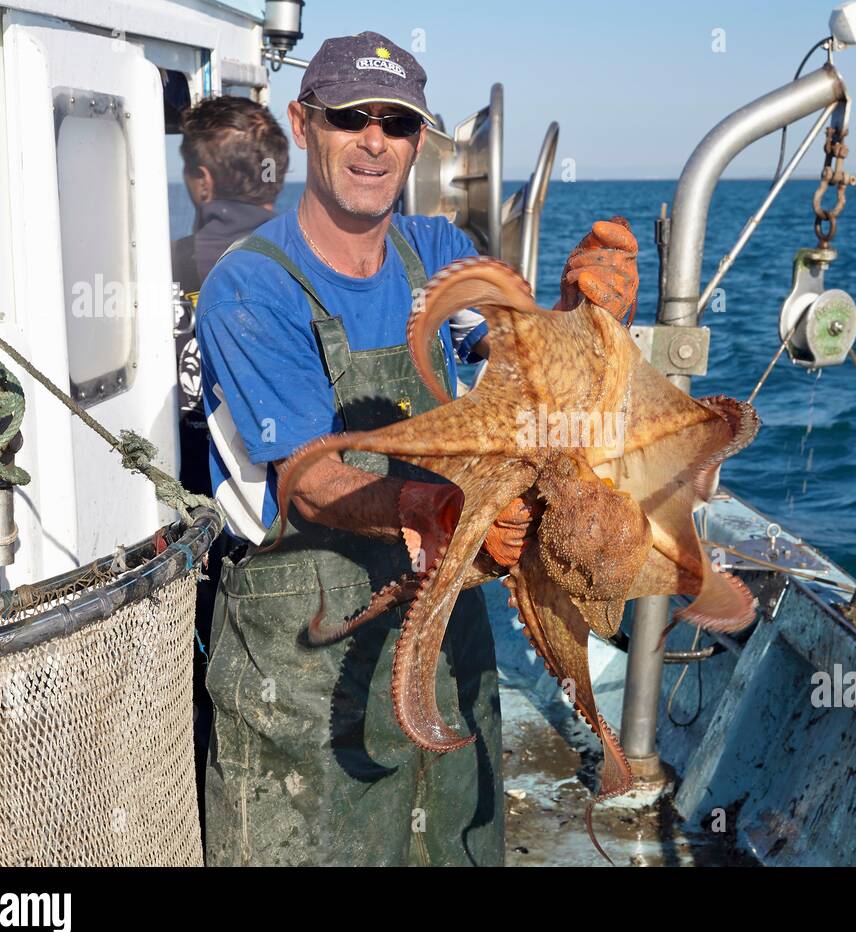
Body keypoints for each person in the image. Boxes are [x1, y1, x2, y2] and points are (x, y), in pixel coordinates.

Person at [194, 31, 639, 866]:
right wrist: (432, 506)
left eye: (396, 123)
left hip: (449, 640)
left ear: (417, 141)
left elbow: (518, 360)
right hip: (301, 660)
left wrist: (585, 315)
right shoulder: (250, 286)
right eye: (350, 118)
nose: (374, 140)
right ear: (302, 123)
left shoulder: (436, 255)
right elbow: (310, 478)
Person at [170, 95, 291, 830]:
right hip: (281, 533)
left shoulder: (159, 262)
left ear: (204, 182)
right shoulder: (304, 267)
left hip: (177, 521)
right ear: (275, 184)